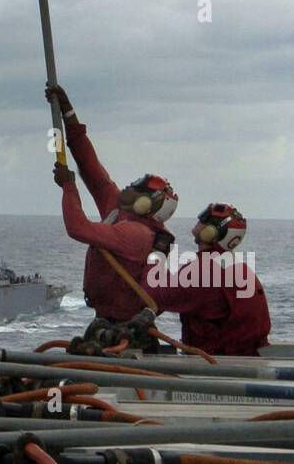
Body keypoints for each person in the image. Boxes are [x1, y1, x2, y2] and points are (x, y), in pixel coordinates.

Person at [47, 83, 177, 324]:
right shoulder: (120, 211)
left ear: (146, 205)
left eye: (138, 187)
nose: (130, 186)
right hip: (106, 320)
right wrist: (68, 114)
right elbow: (92, 169)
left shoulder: (135, 233)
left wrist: (69, 186)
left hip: (123, 327)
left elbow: (77, 228)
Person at [146, 203, 272, 356]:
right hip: (245, 354)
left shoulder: (204, 270)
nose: (198, 221)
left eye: (203, 219)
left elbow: (156, 295)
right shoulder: (233, 265)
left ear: (211, 232)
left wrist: (156, 254)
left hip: (217, 359)